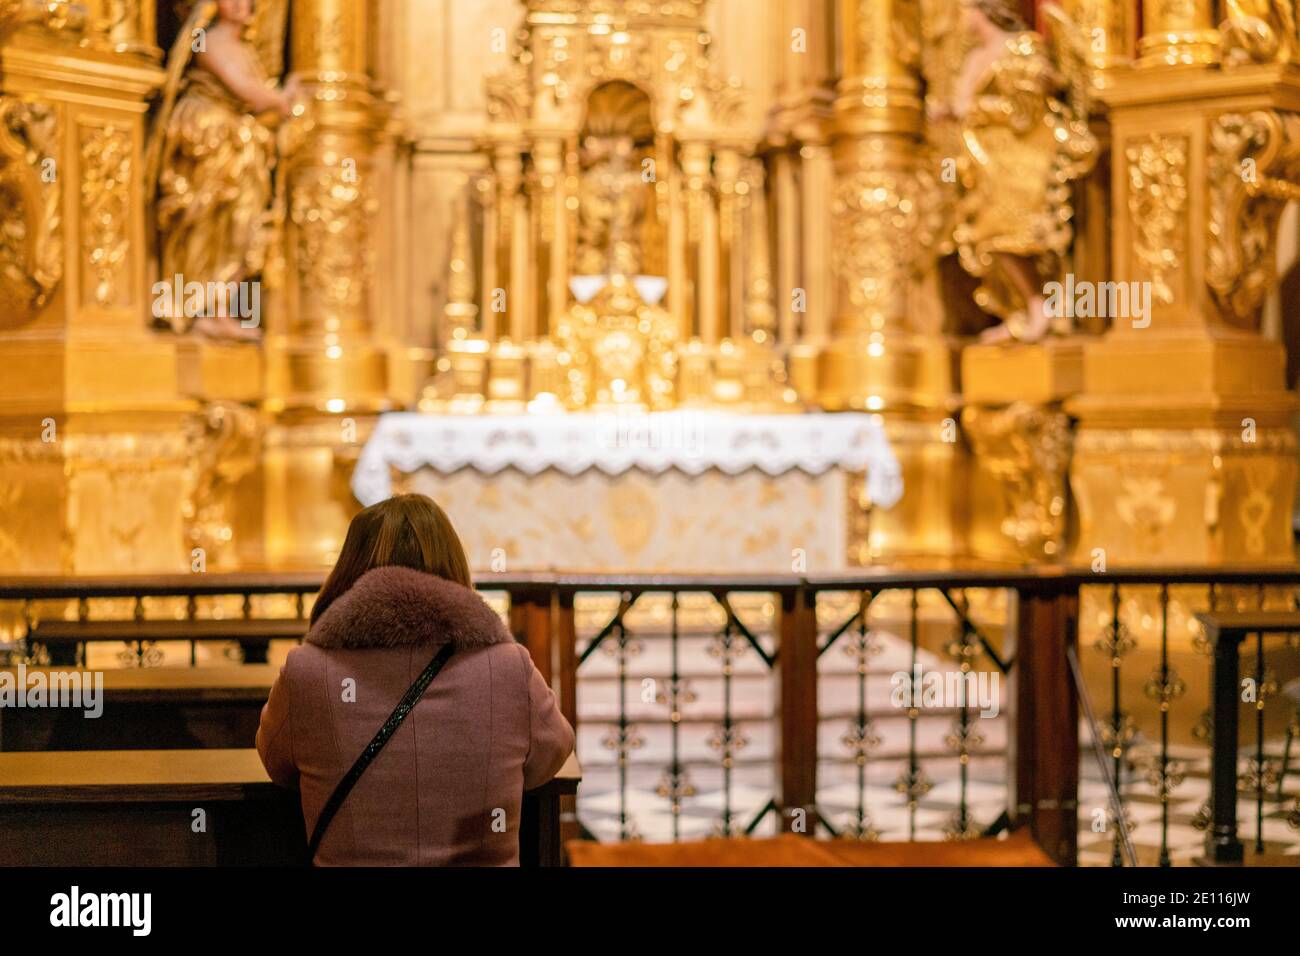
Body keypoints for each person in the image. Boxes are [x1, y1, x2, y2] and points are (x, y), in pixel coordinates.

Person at [256, 494, 575, 866]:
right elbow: (552, 754)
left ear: (348, 568)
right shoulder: (509, 667)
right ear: (454, 565)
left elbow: (277, 765)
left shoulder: (306, 671)